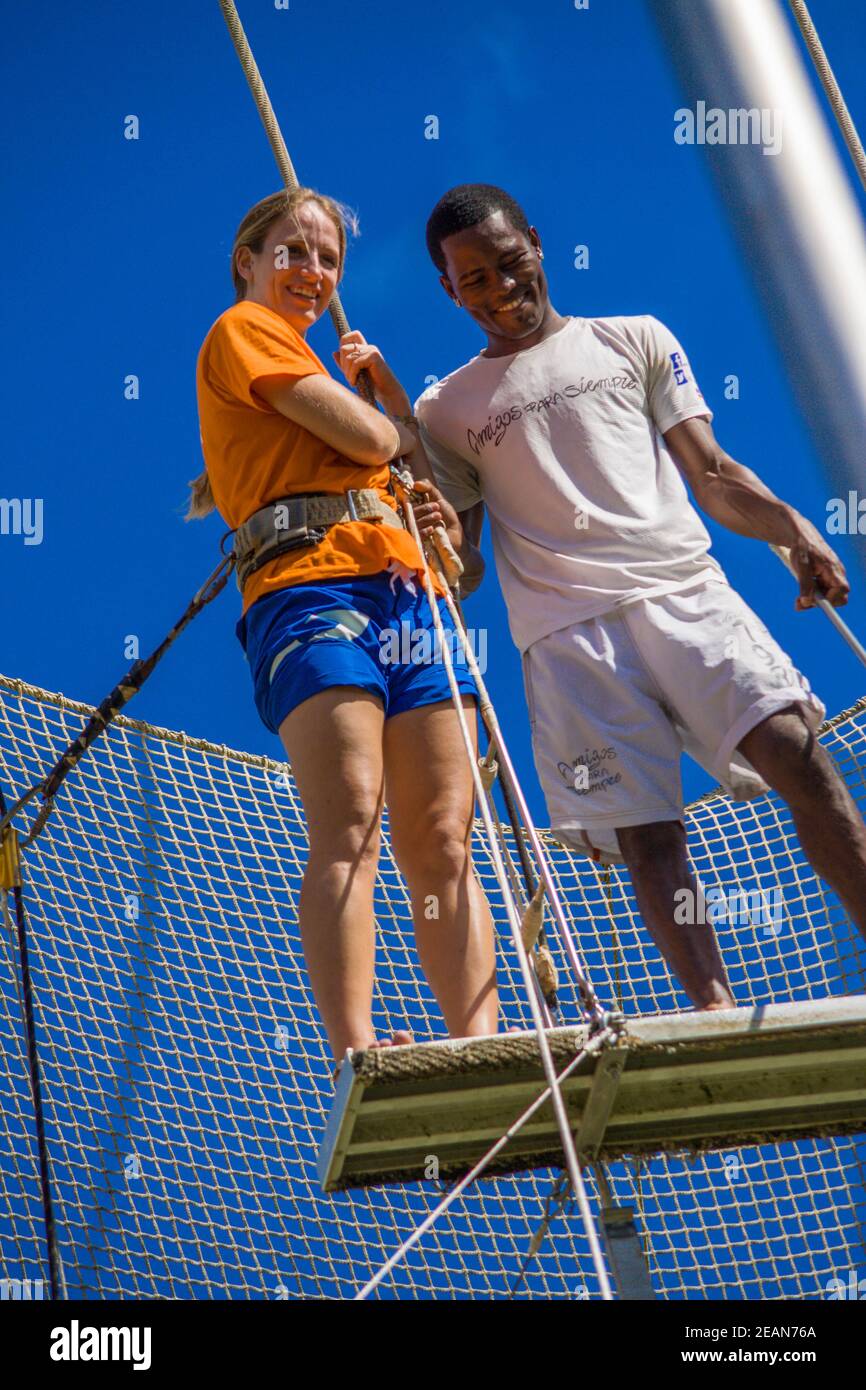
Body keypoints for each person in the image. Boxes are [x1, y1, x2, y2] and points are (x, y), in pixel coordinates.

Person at [411, 181, 866, 1012]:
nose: (500, 288)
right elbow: (463, 568)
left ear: (538, 244)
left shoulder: (633, 338)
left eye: (510, 263)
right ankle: (715, 1014)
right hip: (567, 638)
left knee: (800, 753)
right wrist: (429, 537)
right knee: (649, 837)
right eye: (473, 279)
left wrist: (795, 530)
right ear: (449, 289)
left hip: (684, 592)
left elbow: (715, 476)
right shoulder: (442, 411)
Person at [189, 187, 497, 1060]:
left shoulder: (339, 373)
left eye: (327, 260)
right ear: (248, 261)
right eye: (292, 251)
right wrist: (386, 415)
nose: (312, 272)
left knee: (443, 832)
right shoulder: (242, 332)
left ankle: (479, 1039)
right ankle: (355, 1043)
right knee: (352, 817)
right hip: (309, 587)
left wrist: (394, 406)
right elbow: (369, 443)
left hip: (406, 589)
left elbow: (424, 504)